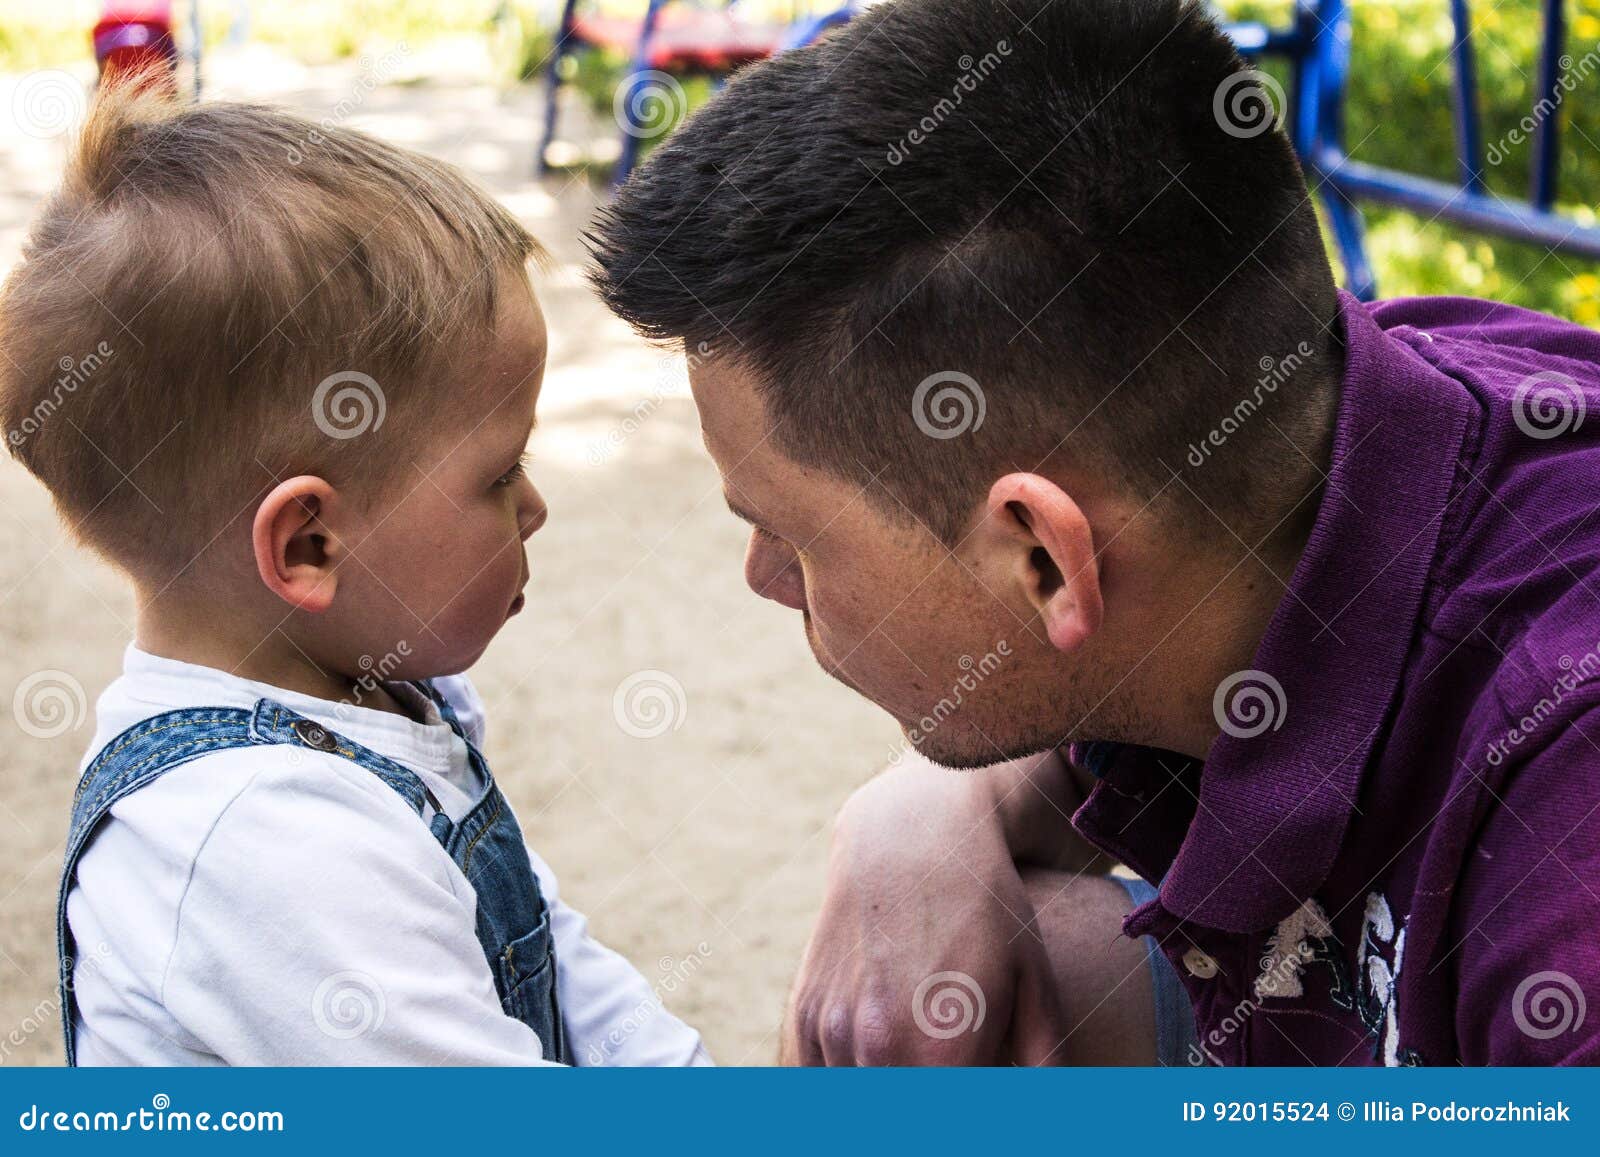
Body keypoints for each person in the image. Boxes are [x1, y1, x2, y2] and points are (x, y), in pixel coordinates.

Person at [589, 0, 1600, 1064]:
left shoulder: (1564, 832)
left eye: (789, 536)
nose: (763, 579)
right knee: (949, 998)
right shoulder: (1347, 384)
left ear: (1042, 554)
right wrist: (921, 804)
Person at [0, 79, 708, 1066]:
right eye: (501, 474)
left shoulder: (373, 699)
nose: (535, 509)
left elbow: (546, 939)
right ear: (309, 546)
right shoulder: (262, 843)